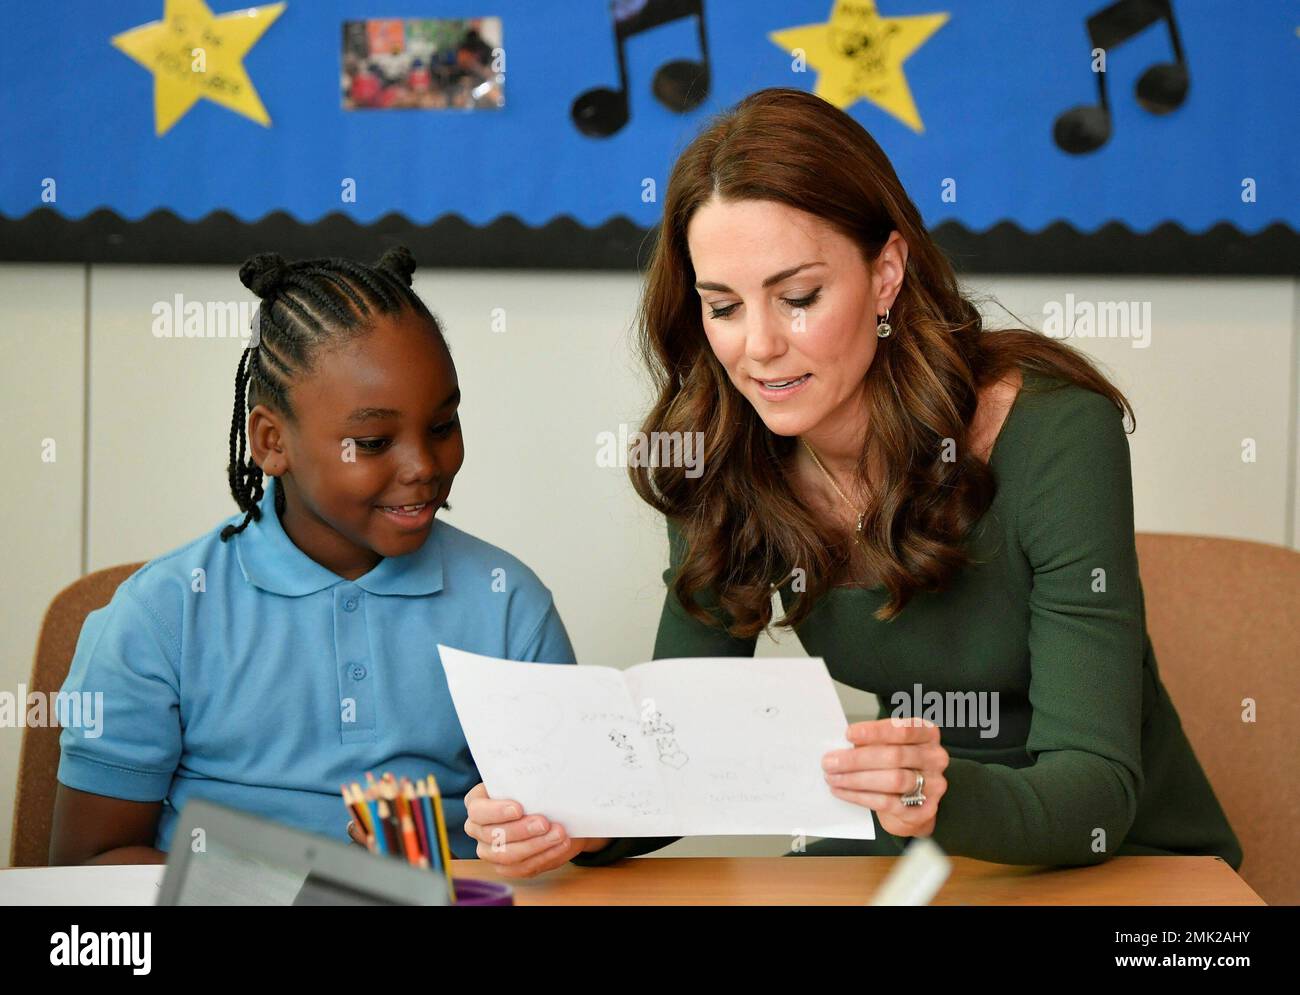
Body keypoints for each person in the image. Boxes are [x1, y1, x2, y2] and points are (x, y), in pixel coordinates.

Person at [466, 87, 1242, 876]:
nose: (759, 346)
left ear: (886, 274)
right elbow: (679, 743)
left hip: (1124, 862)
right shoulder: (722, 452)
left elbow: (1097, 791)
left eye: (799, 297)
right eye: (723, 306)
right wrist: (584, 816)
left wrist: (934, 797)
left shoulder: (1055, 432)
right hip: (915, 850)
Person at [50, 248, 592, 865]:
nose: (423, 467)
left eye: (442, 426)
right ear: (272, 441)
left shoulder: (506, 604)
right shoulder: (162, 616)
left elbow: (575, 833)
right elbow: (89, 867)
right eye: (373, 442)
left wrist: (510, 847)